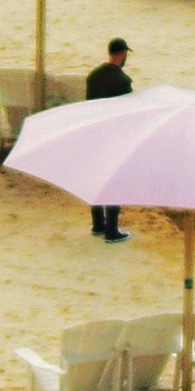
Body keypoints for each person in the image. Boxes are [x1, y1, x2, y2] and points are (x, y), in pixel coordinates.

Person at [79, 30, 134, 239]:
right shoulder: (123, 81)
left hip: (94, 133)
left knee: (96, 178)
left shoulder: (93, 76)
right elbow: (127, 113)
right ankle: (111, 230)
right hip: (113, 136)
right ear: (122, 54)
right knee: (113, 182)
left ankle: (97, 224)